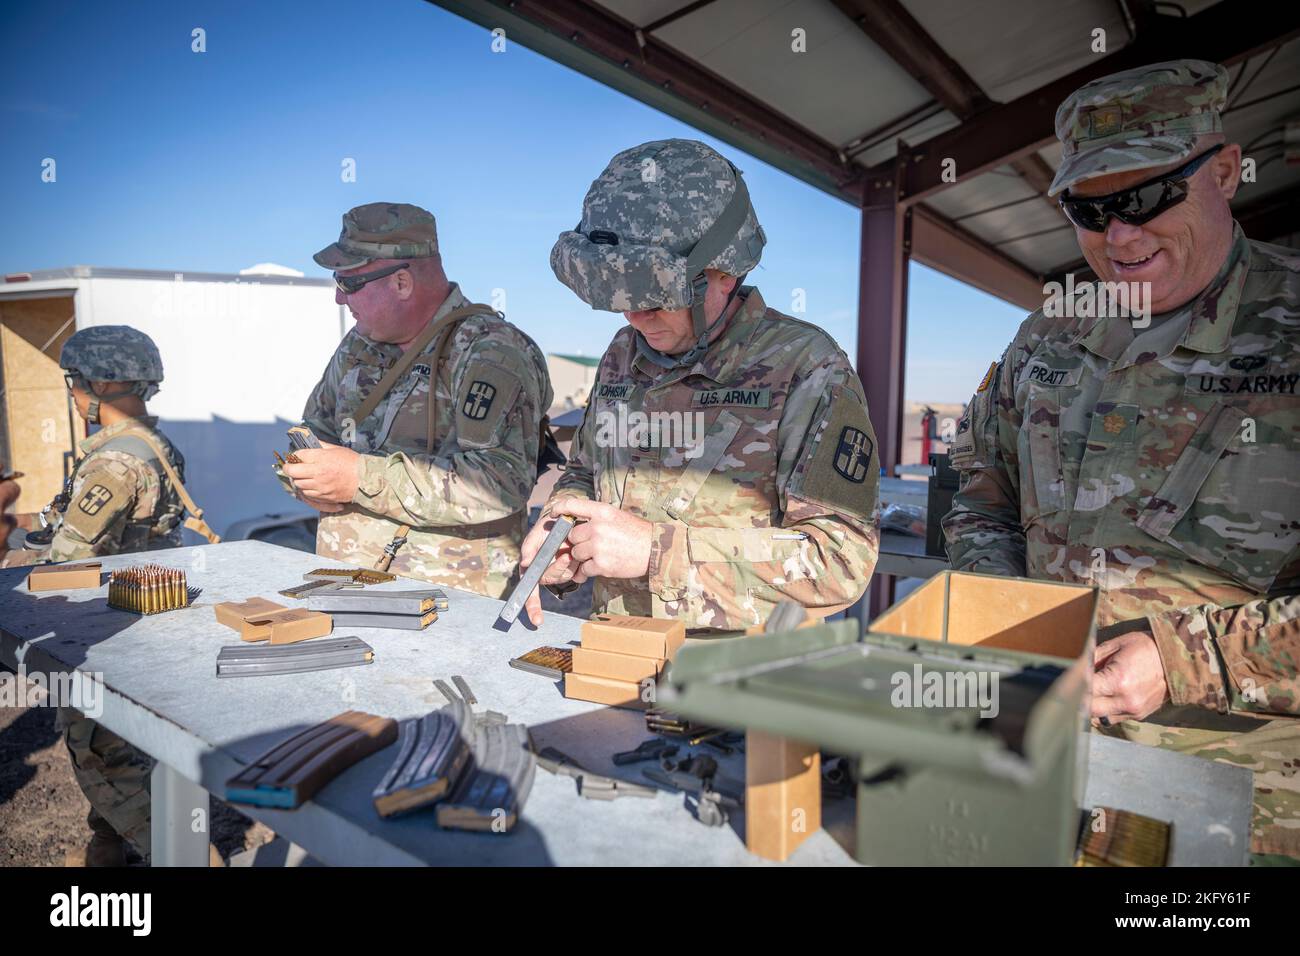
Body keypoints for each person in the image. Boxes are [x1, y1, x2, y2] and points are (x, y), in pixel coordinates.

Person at [942, 60, 1300, 862]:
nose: (1120, 236)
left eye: (1145, 199)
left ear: (1226, 172)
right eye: (1090, 209)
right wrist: (1009, 618)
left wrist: (1185, 661)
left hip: (1242, 818)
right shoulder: (1047, 339)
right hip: (1044, 781)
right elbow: (978, 496)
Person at [521, 139, 879, 632]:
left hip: (741, 683)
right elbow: (585, 468)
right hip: (616, 655)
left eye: (653, 294)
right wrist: (560, 523)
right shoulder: (624, 354)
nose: (633, 314)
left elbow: (840, 563)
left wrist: (655, 551)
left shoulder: (806, 367)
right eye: (618, 296)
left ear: (725, 274)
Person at [3, 325, 212, 866]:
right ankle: (108, 856)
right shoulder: (150, 443)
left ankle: (189, 857)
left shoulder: (114, 462)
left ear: (98, 385)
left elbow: (67, 561)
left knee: (104, 760)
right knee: (130, 758)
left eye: (75, 383)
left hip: (111, 636)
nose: (72, 396)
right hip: (146, 617)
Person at [279, 202, 555, 598]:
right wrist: (305, 478)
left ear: (402, 283)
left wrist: (359, 478)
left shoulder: (489, 351)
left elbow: (499, 481)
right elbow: (313, 431)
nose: (340, 299)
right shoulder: (359, 346)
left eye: (348, 283)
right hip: (344, 584)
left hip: (445, 603)